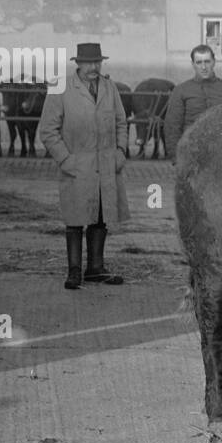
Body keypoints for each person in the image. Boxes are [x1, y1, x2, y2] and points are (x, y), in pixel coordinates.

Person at [38, 43, 130, 291]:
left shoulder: (110, 87)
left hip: (106, 164)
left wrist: (120, 152)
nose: (93, 67)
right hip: (77, 166)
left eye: (97, 62)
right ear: (77, 63)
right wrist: (66, 160)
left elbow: (122, 123)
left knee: (101, 217)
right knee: (76, 218)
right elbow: (47, 131)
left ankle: (96, 269)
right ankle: (74, 270)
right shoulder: (61, 88)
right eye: (88, 62)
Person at [163, 44, 222, 162]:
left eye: (207, 61)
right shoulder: (181, 90)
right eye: (199, 62)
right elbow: (172, 126)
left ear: (214, 62)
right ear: (193, 64)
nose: (203, 67)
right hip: (191, 153)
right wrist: (176, 158)